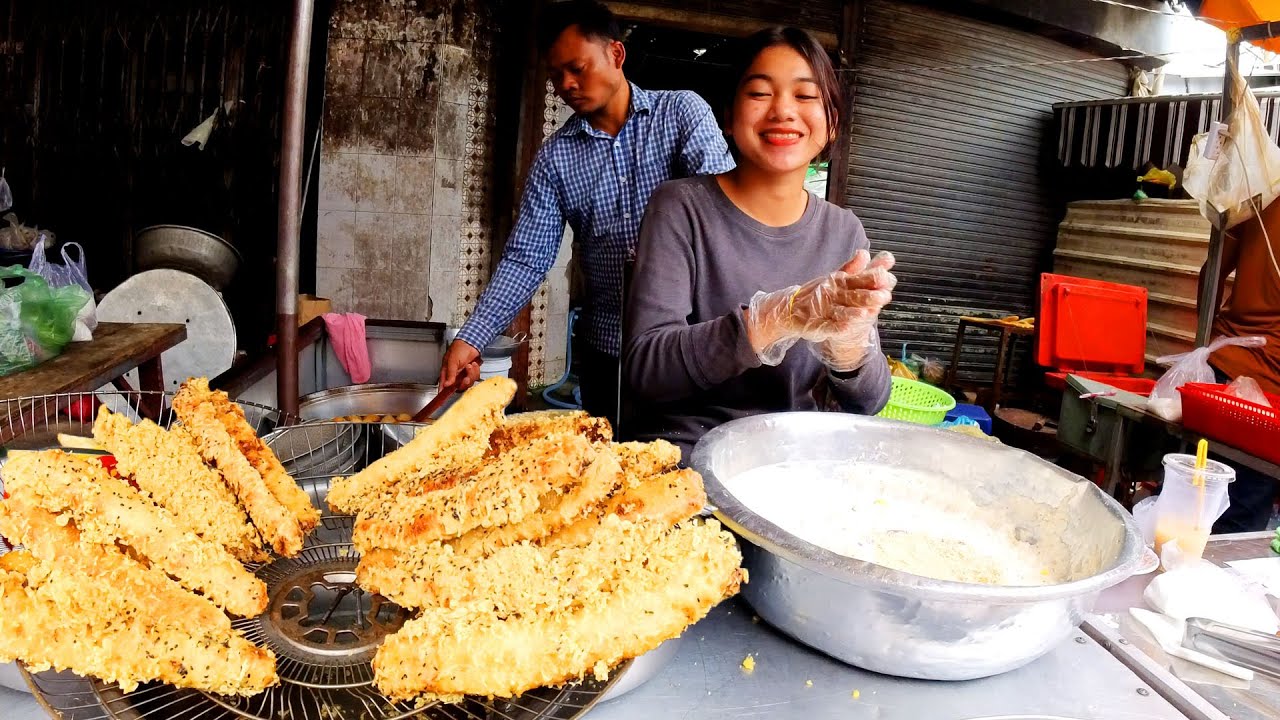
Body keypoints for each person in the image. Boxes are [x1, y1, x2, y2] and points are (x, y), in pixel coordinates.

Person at [438, 0, 733, 421]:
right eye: (557, 75)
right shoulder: (556, 158)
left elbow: (723, 214)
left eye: (578, 68)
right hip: (608, 352)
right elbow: (527, 258)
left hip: (689, 343)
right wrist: (472, 338)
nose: (567, 84)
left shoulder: (681, 114)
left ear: (616, 54)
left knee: (685, 467)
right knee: (607, 471)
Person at [623, 26, 894, 462]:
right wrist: (771, 319)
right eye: (760, 93)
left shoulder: (846, 233)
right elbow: (646, 369)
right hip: (683, 462)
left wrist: (849, 350)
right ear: (728, 116)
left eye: (805, 96)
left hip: (791, 463)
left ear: (833, 122)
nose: (783, 110)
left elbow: (870, 402)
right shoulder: (680, 207)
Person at [1201, 199, 1280, 531]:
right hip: (1271, 398)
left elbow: (1212, 271)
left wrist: (1204, 351)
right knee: (1235, 530)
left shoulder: (1262, 188)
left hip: (1223, 366)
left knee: (1190, 498)